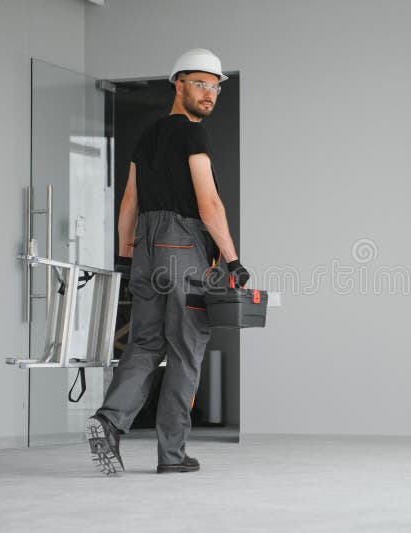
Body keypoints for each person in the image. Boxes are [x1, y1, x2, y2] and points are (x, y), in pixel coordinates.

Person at [85, 48, 249, 476]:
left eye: (215, 87)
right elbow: (209, 203)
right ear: (178, 85)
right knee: (185, 350)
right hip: (183, 250)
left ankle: (109, 420)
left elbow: (129, 203)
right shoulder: (193, 135)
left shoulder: (148, 135)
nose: (209, 93)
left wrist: (125, 257)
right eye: (200, 84)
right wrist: (233, 260)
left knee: (144, 344)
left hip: (146, 249)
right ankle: (172, 454)